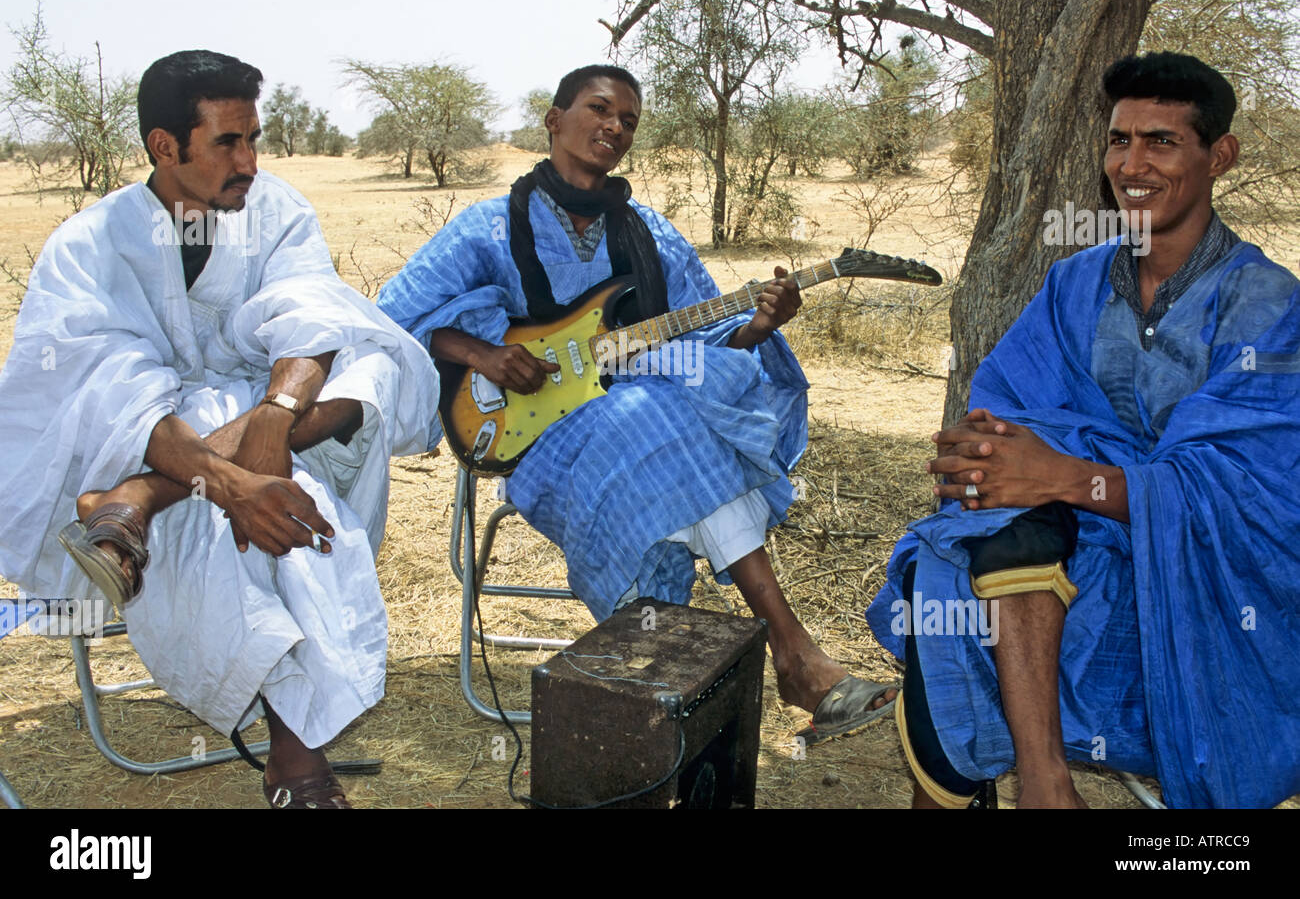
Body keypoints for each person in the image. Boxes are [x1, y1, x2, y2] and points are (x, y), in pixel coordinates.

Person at [378, 64, 895, 739]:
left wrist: (761, 325)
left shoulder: (652, 233)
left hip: (650, 423)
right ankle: (789, 654)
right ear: (554, 120)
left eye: (629, 120)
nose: (615, 127)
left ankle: (675, 668)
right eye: (599, 109)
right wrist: (482, 353)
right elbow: (389, 315)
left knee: (679, 406)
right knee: (672, 417)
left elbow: (705, 336)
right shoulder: (487, 227)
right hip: (537, 436)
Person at [0, 50, 439, 808]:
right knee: (253, 483)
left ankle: (138, 498)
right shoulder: (90, 243)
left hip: (269, 417)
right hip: (162, 430)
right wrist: (234, 483)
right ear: (164, 146)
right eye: (227, 143)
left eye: (254, 139)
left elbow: (311, 315)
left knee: (373, 361)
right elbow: (112, 388)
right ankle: (297, 765)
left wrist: (274, 415)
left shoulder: (276, 209)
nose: (249, 161)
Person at [865, 52, 1300, 808]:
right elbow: (1005, 412)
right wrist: (991, 457)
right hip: (1083, 546)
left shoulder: (1267, 305)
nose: (1131, 165)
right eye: (1119, 140)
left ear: (1218, 155)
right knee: (944, 566)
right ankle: (1032, 782)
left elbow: (1249, 500)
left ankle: (1041, 775)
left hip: (1213, 584)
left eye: (1160, 141)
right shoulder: (1075, 283)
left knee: (1005, 541)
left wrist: (1065, 474)